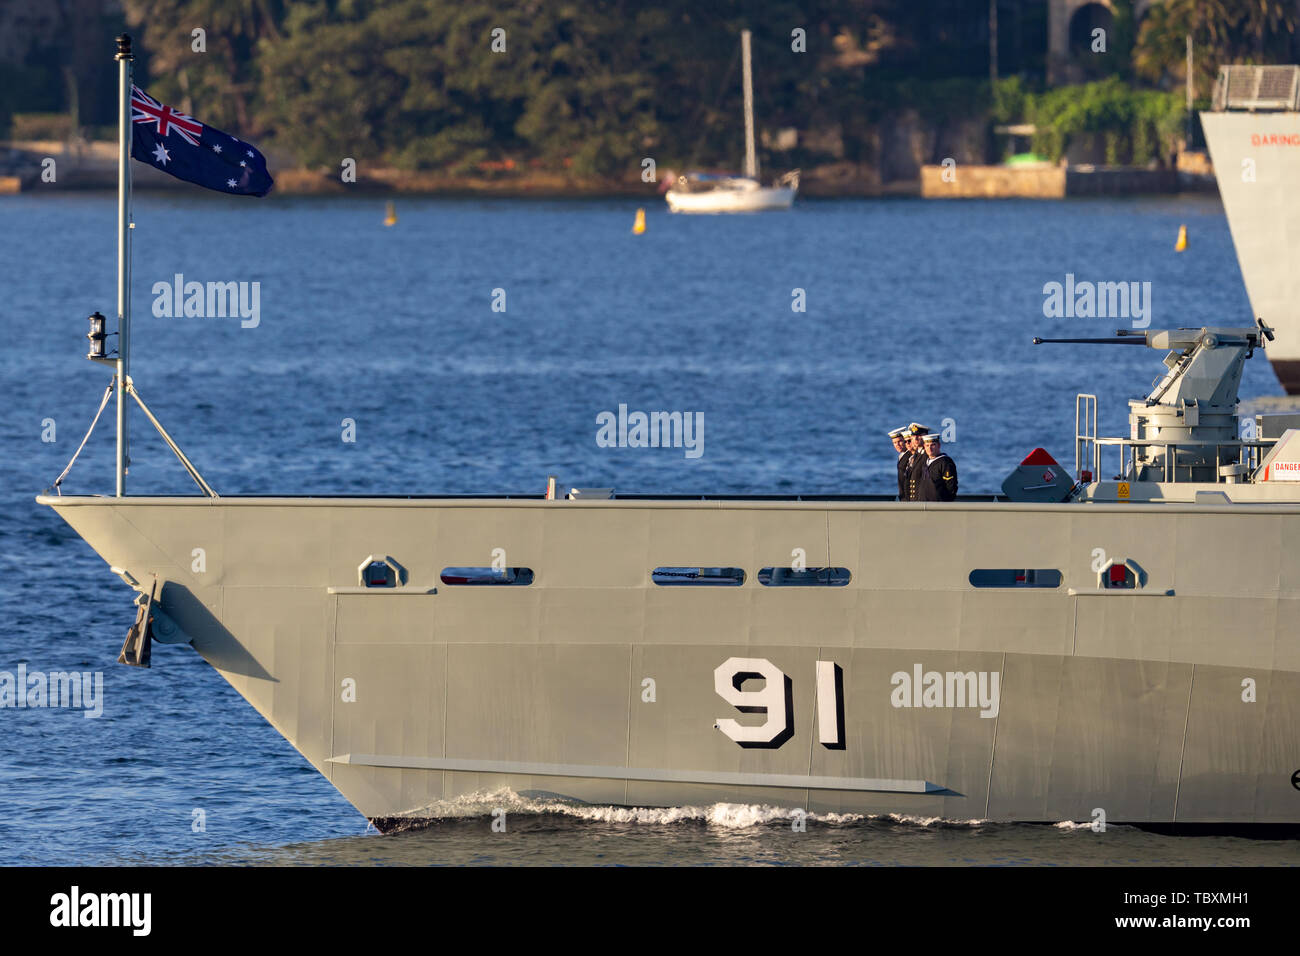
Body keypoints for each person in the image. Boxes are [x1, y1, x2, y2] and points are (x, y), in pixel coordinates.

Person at [918, 432, 958, 501]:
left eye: (932, 445)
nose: (930, 448)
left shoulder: (945, 462)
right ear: (924, 447)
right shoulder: (925, 462)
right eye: (927, 445)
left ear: (939, 445)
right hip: (923, 505)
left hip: (938, 507)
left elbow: (951, 487)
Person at [906, 424, 930, 501]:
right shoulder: (916, 455)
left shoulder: (928, 455)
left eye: (919, 435)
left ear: (925, 436)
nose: (915, 438)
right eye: (913, 436)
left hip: (922, 502)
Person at [889, 427, 910, 500]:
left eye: (900, 441)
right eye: (894, 442)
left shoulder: (910, 455)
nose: (897, 444)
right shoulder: (901, 456)